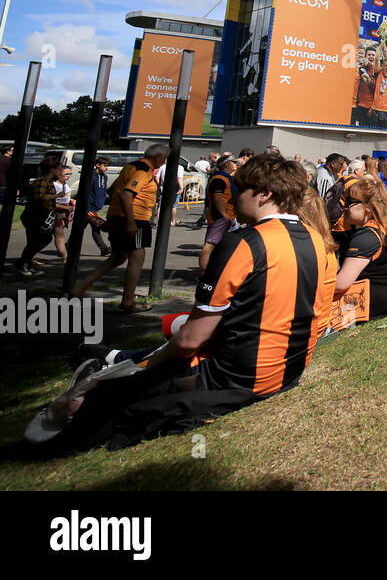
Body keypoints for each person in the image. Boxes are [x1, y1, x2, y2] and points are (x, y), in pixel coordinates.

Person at [29, 153, 337, 453]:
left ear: (264, 194)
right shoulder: (317, 240)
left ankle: (93, 381)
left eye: (239, 189)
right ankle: (104, 362)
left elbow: (191, 339)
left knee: (110, 390)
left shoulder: (244, 242)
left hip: (234, 378)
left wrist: (145, 366)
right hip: (287, 371)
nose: (233, 197)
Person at [69, 144, 171, 313]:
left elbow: (113, 189)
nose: (164, 161)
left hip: (118, 216)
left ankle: (77, 290)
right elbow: (126, 194)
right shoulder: (143, 169)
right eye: (164, 158)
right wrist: (131, 222)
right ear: (157, 156)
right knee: (137, 257)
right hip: (134, 218)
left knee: (117, 257)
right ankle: (128, 301)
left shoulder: (130, 166)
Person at [334, 175, 387, 320]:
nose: (344, 207)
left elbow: (341, 284)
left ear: (368, 207)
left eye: (350, 202)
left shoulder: (366, 236)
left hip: (366, 308)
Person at [12, 156, 60, 275]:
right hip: (36, 215)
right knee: (38, 239)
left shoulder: (49, 182)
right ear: (51, 169)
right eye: (59, 169)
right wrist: (55, 196)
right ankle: (22, 263)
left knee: (42, 239)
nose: (60, 172)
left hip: (44, 215)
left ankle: (25, 263)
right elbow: (39, 197)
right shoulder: (42, 181)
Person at [197, 157, 238, 277]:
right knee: (210, 244)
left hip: (225, 217)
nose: (235, 164)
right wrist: (224, 216)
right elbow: (217, 198)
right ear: (225, 165)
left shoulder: (225, 178)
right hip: (219, 217)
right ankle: (204, 273)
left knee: (218, 245)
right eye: (233, 162)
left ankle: (213, 271)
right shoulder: (219, 179)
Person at [84, 156, 112, 256]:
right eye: (104, 165)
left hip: (97, 207)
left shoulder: (104, 177)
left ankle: (68, 246)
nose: (106, 168)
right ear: (97, 165)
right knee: (95, 227)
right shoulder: (91, 176)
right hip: (88, 207)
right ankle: (103, 248)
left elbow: (103, 191)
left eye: (107, 166)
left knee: (94, 228)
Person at [51, 163, 74, 263]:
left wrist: (71, 201)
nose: (68, 176)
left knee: (59, 234)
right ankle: (65, 257)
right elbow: (50, 202)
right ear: (58, 174)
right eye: (66, 174)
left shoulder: (64, 183)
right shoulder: (54, 185)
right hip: (54, 212)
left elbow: (65, 197)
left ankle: (64, 256)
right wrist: (65, 206)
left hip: (62, 211)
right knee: (59, 234)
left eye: (70, 174)